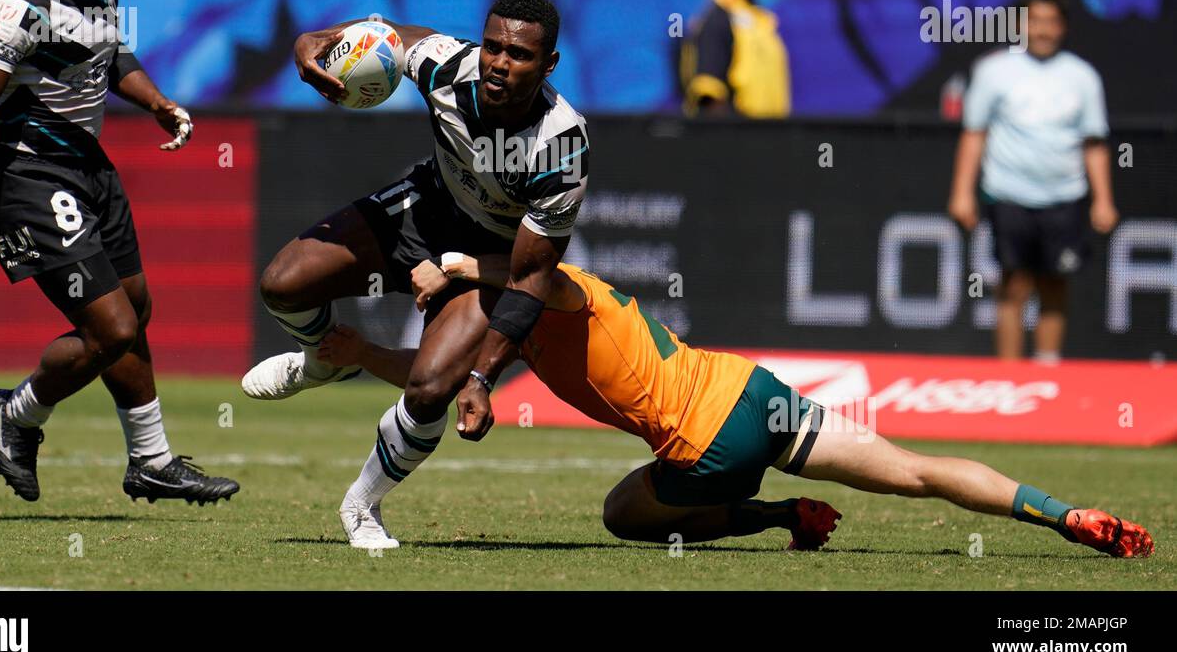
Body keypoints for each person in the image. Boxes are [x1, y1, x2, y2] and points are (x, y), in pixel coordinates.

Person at [316, 255, 1153, 559]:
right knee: (915, 471)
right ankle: (1063, 514)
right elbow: (435, 377)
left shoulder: (566, 295)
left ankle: (776, 514)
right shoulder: (523, 332)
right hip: (752, 392)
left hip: (706, 445)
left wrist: (458, 263)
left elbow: (531, 277)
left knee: (619, 514)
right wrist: (365, 357)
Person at [245, 0, 588, 549]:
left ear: (548, 64)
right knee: (283, 284)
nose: (500, 63)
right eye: (493, 47)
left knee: (430, 390)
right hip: (426, 210)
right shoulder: (448, 64)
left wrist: (482, 378)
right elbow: (387, 31)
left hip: (493, 255)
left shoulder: (562, 145)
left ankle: (362, 507)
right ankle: (322, 360)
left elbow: (532, 277)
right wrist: (313, 41)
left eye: (520, 55)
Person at [0, 0, 239, 506]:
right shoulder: (20, 3)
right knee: (113, 328)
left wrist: (156, 101)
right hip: (28, 174)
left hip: (88, 168)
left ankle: (151, 461)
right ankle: (17, 415)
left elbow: (108, 53)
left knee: (135, 309)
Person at [947, 0, 1118, 360]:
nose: (1042, 30)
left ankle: (1046, 373)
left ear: (1063, 27)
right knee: (1014, 285)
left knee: (1055, 284)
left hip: (1064, 197)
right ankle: (1011, 378)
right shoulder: (993, 71)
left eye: (1051, 22)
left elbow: (1094, 143)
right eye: (1034, 21)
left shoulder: (1082, 77)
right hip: (1009, 194)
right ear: (1020, 25)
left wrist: (1103, 199)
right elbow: (974, 135)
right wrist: (962, 192)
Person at [678, 0, 790, 118]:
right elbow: (709, 94)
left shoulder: (761, 22)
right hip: (740, 138)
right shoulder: (718, 19)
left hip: (769, 136)